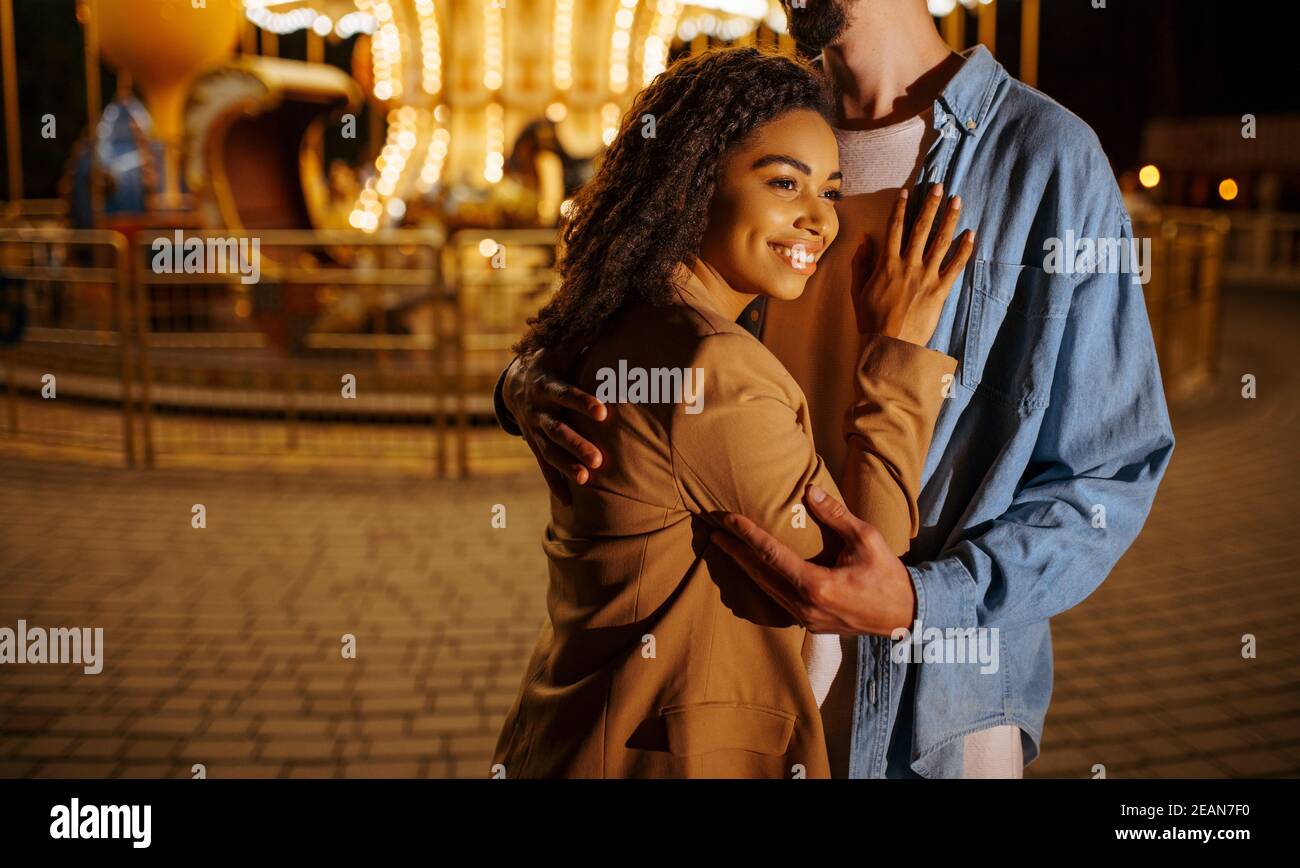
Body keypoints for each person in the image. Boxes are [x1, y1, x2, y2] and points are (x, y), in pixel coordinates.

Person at [494, 0, 1175, 779]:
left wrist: (925, 602)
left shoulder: (1045, 157)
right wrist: (529, 378)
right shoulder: (755, 119)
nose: (812, 214)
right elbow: (630, 299)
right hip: (733, 685)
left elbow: (1111, 468)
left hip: (939, 714)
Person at [490, 46, 972, 778]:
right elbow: (863, 572)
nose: (820, 221)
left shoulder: (618, 320)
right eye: (785, 183)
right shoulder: (712, 367)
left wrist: (514, 380)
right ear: (690, 187)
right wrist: (897, 349)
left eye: (831, 193)